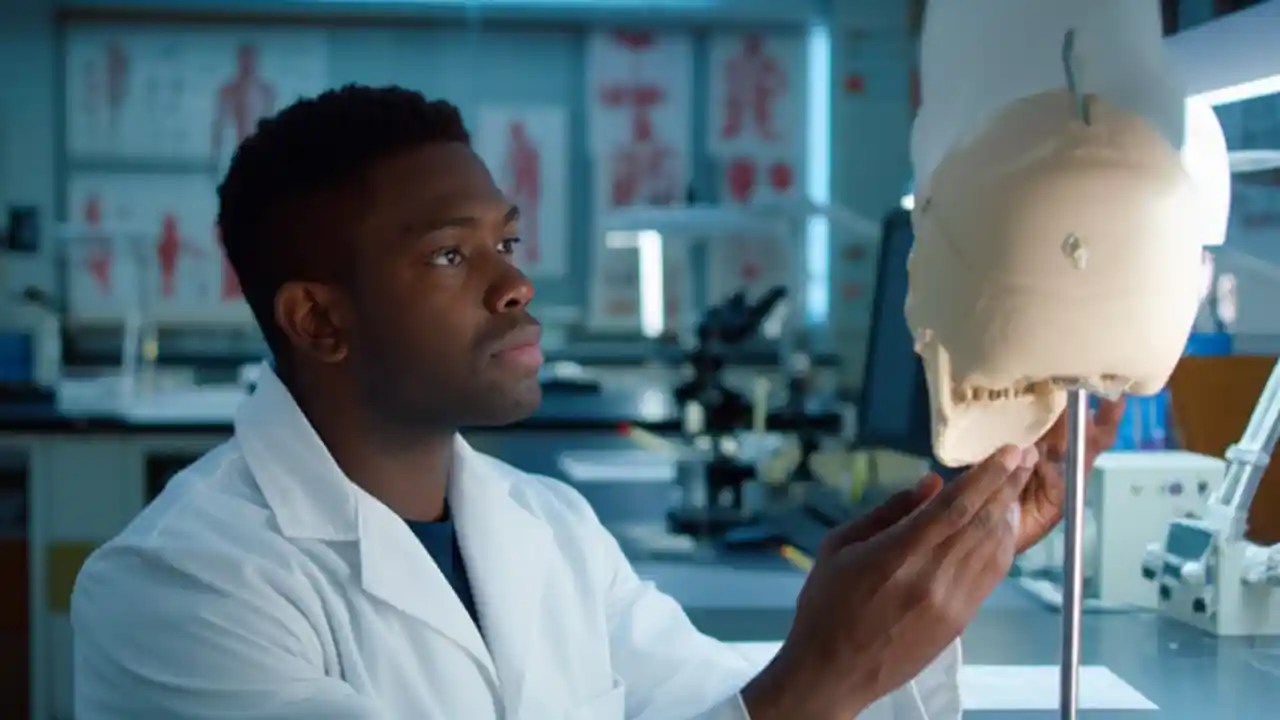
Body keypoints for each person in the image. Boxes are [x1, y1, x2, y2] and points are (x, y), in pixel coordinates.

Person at [71, 85, 1124, 719]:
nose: (514, 282)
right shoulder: (179, 590)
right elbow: (786, 700)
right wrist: (811, 680)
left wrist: (954, 553)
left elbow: (728, 694)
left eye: (507, 240)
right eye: (449, 252)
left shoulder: (546, 532)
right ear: (316, 321)